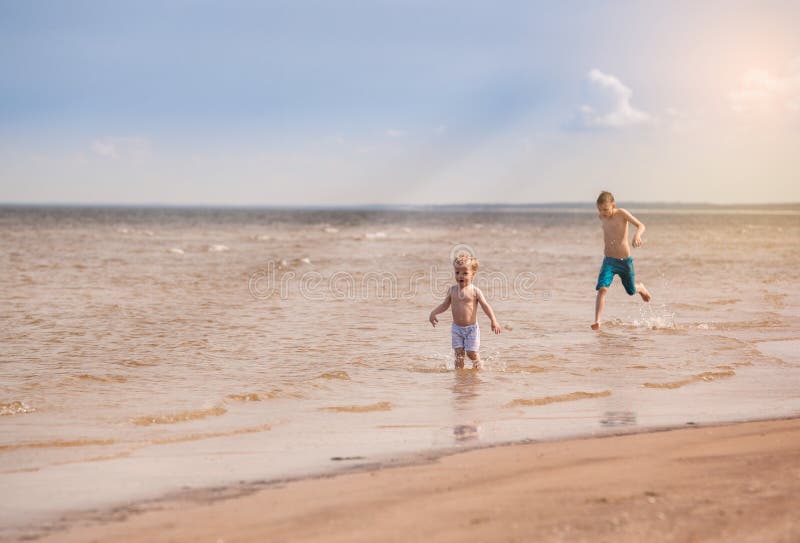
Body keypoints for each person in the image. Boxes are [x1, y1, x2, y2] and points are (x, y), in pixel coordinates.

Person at [429, 252, 501, 369]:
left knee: (471, 353)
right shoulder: (452, 290)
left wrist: (493, 320)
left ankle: (479, 368)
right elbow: (445, 305)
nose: (460, 276)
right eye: (457, 273)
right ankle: (460, 377)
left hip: (471, 329)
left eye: (465, 273)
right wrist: (433, 312)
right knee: (459, 355)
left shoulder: (475, 291)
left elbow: (485, 305)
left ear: (473, 274)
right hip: (457, 329)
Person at [592, 191, 652, 330]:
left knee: (631, 291)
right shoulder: (601, 216)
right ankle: (597, 321)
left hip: (625, 261)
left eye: (606, 209)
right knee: (602, 288)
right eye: (600, 210)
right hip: (609, 261)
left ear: (613, 205)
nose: (603, 213)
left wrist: (637, 235)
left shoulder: (622, 213)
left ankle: (640, 288)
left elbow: (641, 225)